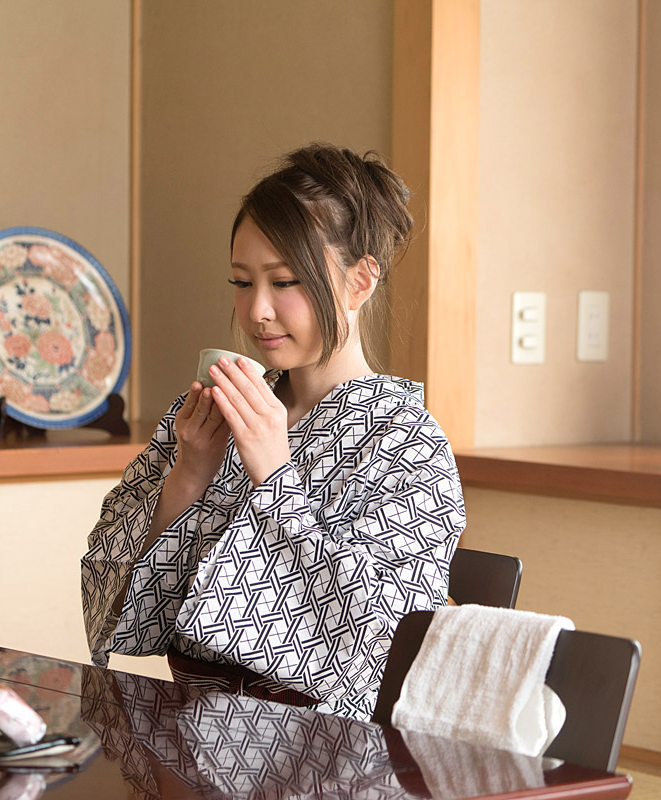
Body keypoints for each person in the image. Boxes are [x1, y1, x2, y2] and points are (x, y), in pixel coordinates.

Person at [81, 142, 465, 720]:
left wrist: (274, 476)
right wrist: (189, 474)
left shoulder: (407, 441)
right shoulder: (216, 410)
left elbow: (381, 643)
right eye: (241, 282)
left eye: (285, 282)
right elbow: (108, 600)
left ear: (360, 281)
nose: (258, 310)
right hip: (188, 725)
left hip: (323, 748)